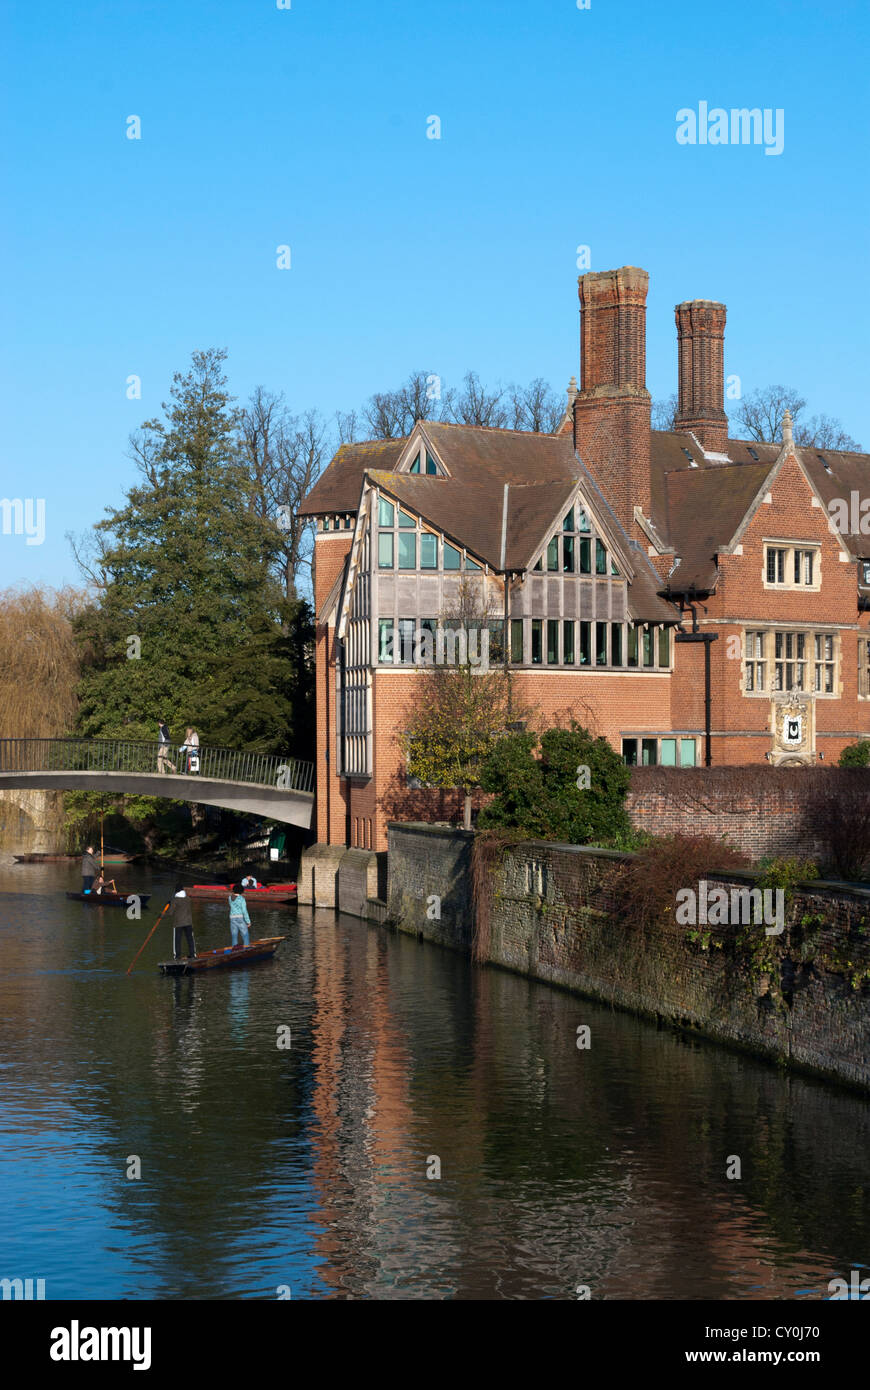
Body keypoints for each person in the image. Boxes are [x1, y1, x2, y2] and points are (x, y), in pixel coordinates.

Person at [170, 884, 196, 961]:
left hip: (178, 923)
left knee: (177, 940)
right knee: (190, 939)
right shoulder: (188, 899)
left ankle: (177, 957)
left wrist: (162, 915)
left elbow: (170, 912)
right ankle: (193, 955)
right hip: (188, 923)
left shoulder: (175, 900)